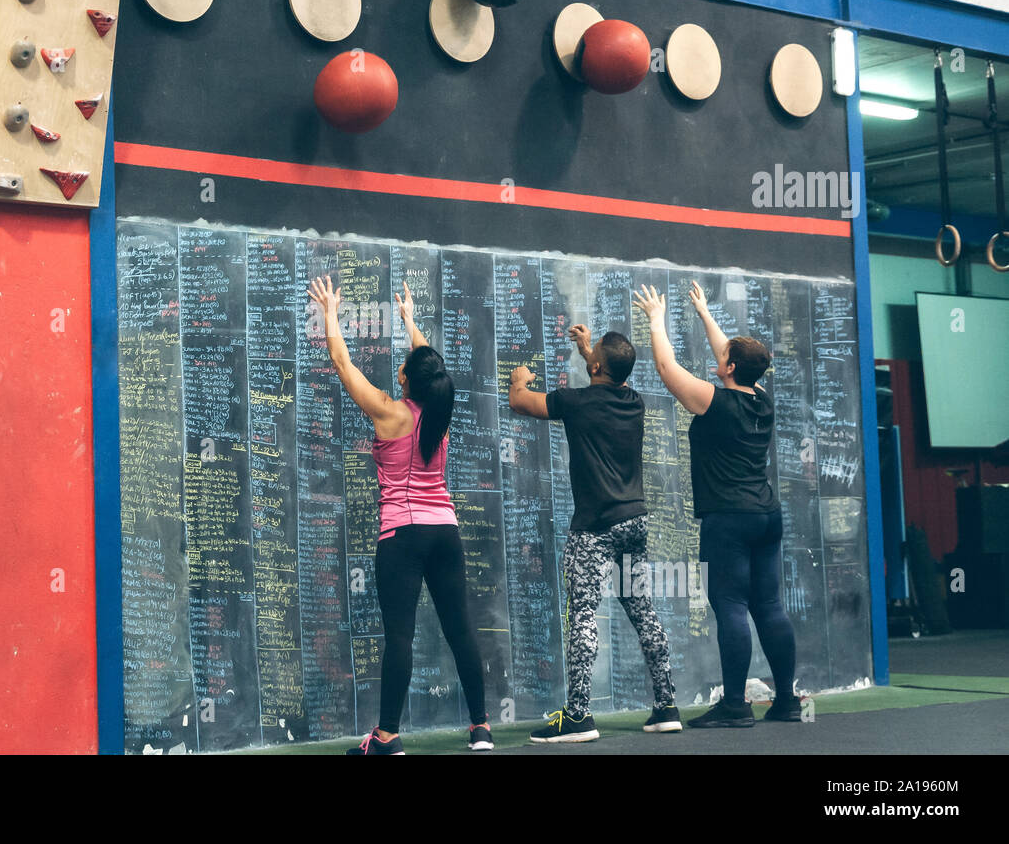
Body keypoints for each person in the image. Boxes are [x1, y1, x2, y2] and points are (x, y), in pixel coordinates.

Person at [306, 276, 491, 755]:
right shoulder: (440, 413)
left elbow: (343, 364)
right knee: (460, 629)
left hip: (403, 535)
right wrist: (410, 322)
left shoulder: (390, 412)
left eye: (404, 369)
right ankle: (482, 728)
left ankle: (386, 737)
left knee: (400, 636)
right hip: (445, 531)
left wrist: (330, 311)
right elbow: (433, 365)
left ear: (407, 378)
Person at [632, 281, 800, 727]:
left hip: (729, 519)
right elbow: (734, 353)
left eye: (724, 357)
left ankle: (735, 706)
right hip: (767, 515)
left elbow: (667, 369)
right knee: (769, 606)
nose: (719, 357)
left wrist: (655, 319)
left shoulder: (715, 402)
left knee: (730, 605)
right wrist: (705, 312)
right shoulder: (761, 399)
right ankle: (786, 702)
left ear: (728, 367)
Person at [508, 325, 680, 742]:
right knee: (642, 609)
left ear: (597, 367)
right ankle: (666, 706)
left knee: (583, 613)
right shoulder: (633, 402)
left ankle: (580, 716)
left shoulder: (576, 402)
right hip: (634, 522)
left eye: (593, 356)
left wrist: (519, 378)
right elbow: (606, 373)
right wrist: (588, 350)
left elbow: (519, 403)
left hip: (596, 527)